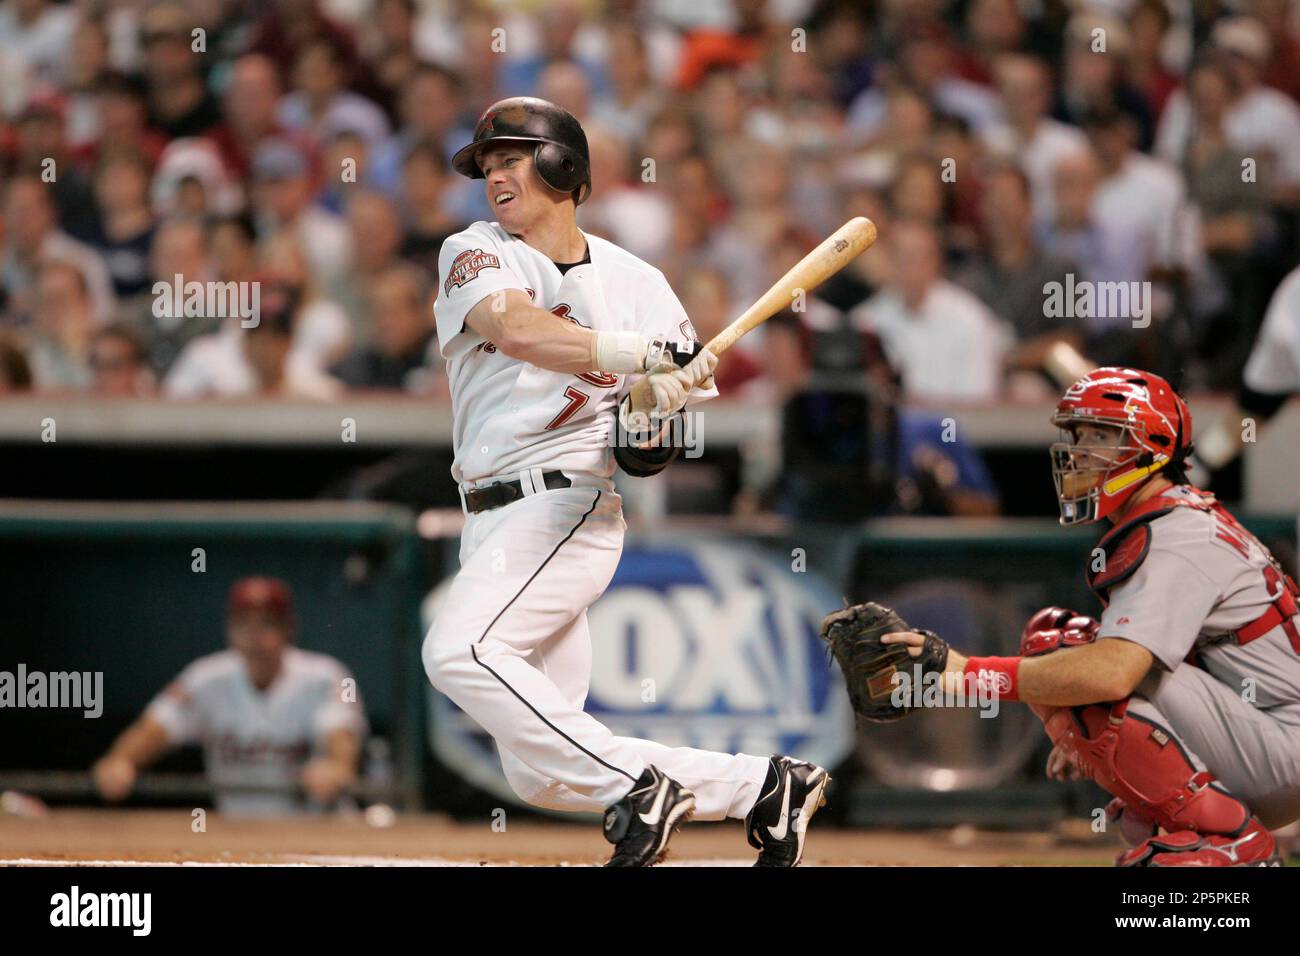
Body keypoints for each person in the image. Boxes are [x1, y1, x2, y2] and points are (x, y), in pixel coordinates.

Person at [425, 96, 829, 867]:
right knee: (539, 770)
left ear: (562, 167)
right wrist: (643, 358)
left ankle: (638, 789)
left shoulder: (639, 281)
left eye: (512, 158)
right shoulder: (474, 250)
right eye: (488, 164)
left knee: (457, 650)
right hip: (490, 517)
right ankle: (763, 787)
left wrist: (652, 411)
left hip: (565, 504)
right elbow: (518, 330)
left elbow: (649, 452)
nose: (494, 176)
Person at [879, 367, 1299, 866]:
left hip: (1282, 747)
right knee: (1065, 649)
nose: (1079, 452)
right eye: (1077, 436)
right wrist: (1088, 735)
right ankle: (1212, 827)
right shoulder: (1175, 515)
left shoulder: (1179, 535)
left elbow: (1109, 672)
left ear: (1151, 444)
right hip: (1267, 733)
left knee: (1068, 649)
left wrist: (965, 674)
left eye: (1100, 435)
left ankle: (1231, 841)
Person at [92, 577, 367, 816]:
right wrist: (122, 759)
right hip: (239, 838)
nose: (254, 635)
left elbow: (341, 737)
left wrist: (336, 766)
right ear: (229, 629)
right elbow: (157, 726)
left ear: (289, 628)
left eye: (267, 623)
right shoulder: (206, 678)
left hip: (320, 836)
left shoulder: (325, 676)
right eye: (244, 623)